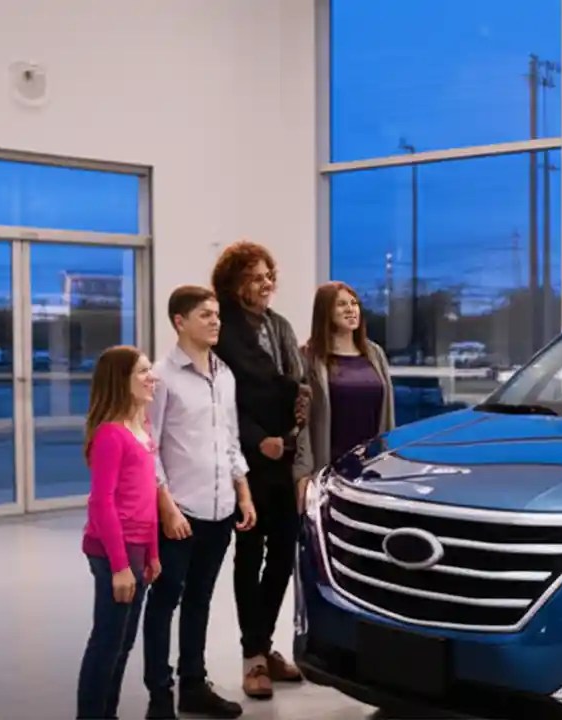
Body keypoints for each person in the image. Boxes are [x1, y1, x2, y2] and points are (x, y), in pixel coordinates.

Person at [141, 285, 256, 720]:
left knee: (201, 599)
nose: (215, 321)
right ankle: (159, 695)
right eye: (205, 315)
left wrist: (242, 491)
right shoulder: (161, 377)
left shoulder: (224, 375)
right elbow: (148, 448)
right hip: (180, 511)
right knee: (165, 599)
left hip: (220, 509)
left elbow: (229, 439)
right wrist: (166, 507)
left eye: (217, 315)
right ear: (179, 321)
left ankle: (193, 684)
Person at [210, 240, 312, 700]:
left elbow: (293, 383)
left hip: (285, 455)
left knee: (285, 552)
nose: (266, 283)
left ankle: (263, 644)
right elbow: (224, 403)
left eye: (269, 274)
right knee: (249, 556)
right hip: (245, 461)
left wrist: (300, 409)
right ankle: (253, 658)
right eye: (255, 276)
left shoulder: (280, 325)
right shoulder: (224, 331)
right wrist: (258, 440)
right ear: (235, 284)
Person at [76, 346, 161, 720]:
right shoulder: (111, 435)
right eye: (142, 372)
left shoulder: (142, 429)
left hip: (139, 547)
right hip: (115, 549)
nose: (151, 378)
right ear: (121, 382)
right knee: (107, 641)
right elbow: (102, 503)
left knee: (123, 642)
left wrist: (154, 553)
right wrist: (120, 566)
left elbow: (147, 498)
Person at [297, 281, 395, 510]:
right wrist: (303, 473)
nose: (351, 309)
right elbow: (301, 423)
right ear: (325, 312)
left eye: (354, 303)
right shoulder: (309, 357)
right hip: (329, 467)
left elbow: (387, 413)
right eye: (341, 304)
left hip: (371, 468)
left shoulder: (374, 354)